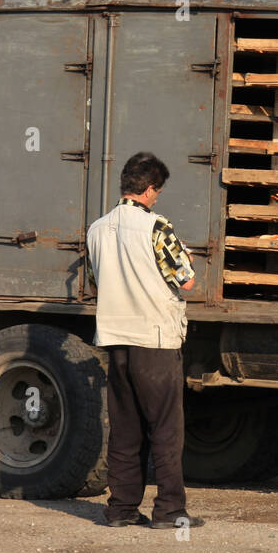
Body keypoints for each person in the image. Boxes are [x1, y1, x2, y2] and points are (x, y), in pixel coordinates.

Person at [86, 151, 203, 530]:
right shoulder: (157, 227)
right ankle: (169, 511)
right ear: (149, 189)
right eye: (158, 191)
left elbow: (96, 281)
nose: (157, 198)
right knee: (166, 430)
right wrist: (185, 257)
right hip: (154, 340)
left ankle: (120, 509)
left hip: (115, 339)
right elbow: (186, 281)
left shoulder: (96, 228)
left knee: (125, 429)